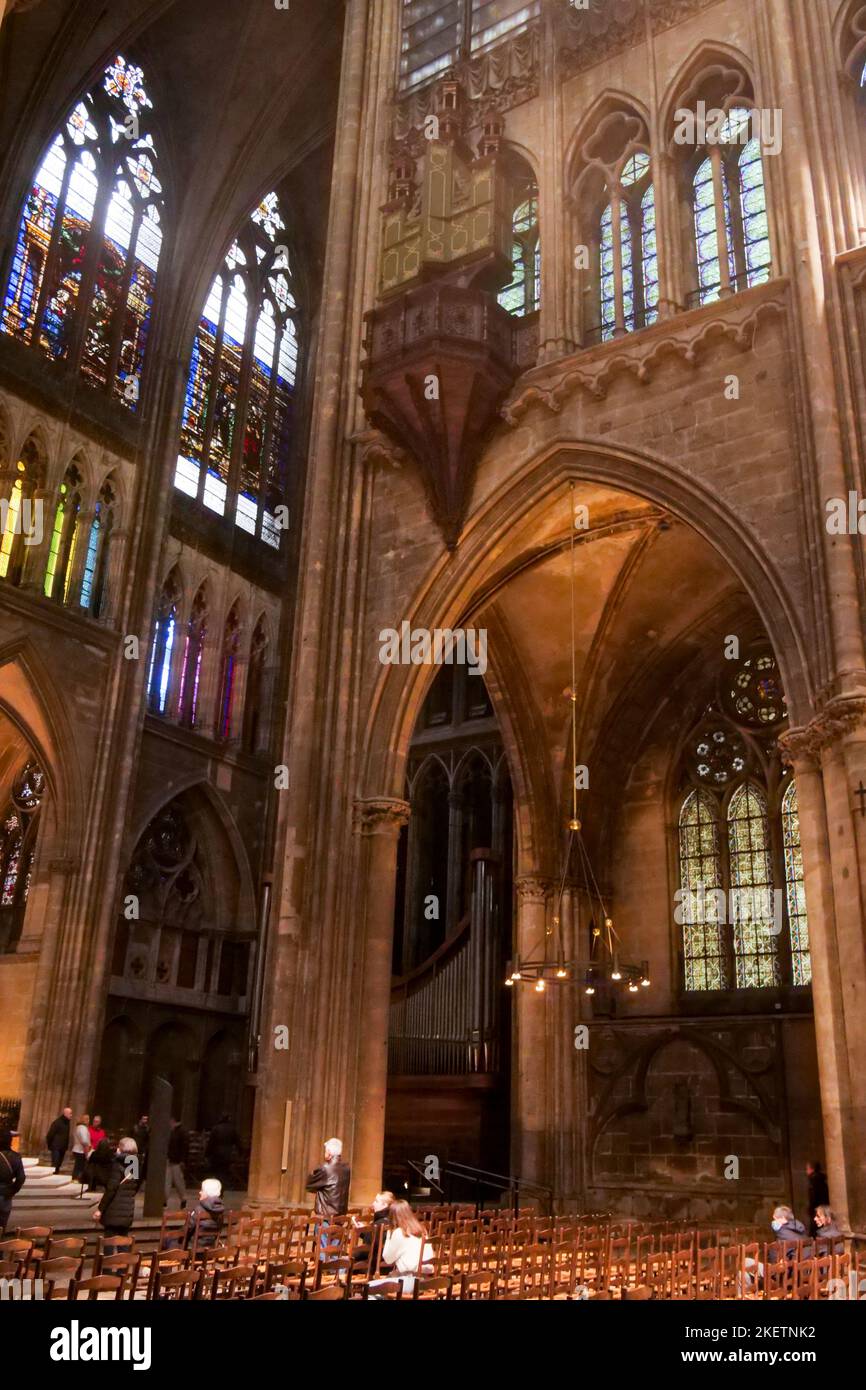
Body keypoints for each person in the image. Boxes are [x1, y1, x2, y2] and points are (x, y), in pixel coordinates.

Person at [378, 1200, 434, 1294]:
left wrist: (389, 1235)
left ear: (393, 1217)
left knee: (370, 1288)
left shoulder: (399, 1232)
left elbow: (388, 1259)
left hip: (409, 1281)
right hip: (427, 1281)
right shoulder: (422, 1229)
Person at [92, 1137, 139, 1239]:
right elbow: (135, 1188)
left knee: (109, 1241)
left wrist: (100, 1209)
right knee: (124, 1241)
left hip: (113, 1209)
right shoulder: (135, 1165)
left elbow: (111, 1189)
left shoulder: (117, 1164)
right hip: (127, 1210)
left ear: (120, 1149)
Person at [305, 1137, 351, 1218]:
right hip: (341, 1217)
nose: (324, 1153)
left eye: (325, 1151)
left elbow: (309, 1186)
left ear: (329, 1153)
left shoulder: (325, 1169)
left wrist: (313, 1173)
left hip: (326, 1218)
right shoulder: (346, 1169)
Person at [351, 1191, 394, 1274]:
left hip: (372, 1268)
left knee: (345, 1264)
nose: (373, 1204)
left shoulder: (377, 1225)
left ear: (385, 1205)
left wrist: (352, 1256)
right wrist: (364, 1231)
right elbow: (376, 1239)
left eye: (376, 1201)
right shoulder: (393, 1221)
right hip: (389, 1267)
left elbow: (367, 1250)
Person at [185, 1178, 225, 1251]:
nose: (200, 1192)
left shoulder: (198, 1210)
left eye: (202, 1190)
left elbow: (187, 1229)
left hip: (194, 1249)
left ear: (207, 1193)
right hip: (211, 1249)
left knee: (169, 1241)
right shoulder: (220, 1210)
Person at [205, 1114, 240, 1192]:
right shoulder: (232, 1129)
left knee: (217, 1172)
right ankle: (222, 1187)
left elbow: (211, 1143)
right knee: (224, 1172)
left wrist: (207, 1154)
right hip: (227, 1153)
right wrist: (241, 1153)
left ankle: (218, 1188)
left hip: (216, 1154)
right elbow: (238, 1142)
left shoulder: (216, 1129)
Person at [0, 1128, 25, 1234]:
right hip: (6, 1194)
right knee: (2, 1226)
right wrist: (12, 1190)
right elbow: (21, 1178)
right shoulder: (16, 1157)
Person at [165, 1117, 188, 1209]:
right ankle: (183, 1198)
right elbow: (184, 1147)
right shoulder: (180, 1132)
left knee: (169, 1181)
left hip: (174, 1160)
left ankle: (165, 1200)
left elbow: (183, 1147)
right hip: (175, 1160)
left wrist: (182, 1160)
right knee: (178, 1181)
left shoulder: (176, 1132)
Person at [46, 1106, 72, 1173]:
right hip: (56, 1147)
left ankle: (56, 1174)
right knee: (55, 1164)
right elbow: (50, 1134)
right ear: (65, 1114)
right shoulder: (57, 1122)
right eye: (70, 1113)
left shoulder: (67, 1123)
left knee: (58, 1164)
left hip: (62, 1147)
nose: (71, 1115)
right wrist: (50, 1145)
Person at [807, 1161, 830, 1236]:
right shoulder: (822, 1181)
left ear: (812, 1169)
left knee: (816, 1231)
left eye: (807, 1169)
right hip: (824, 1207)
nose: (807, 1171)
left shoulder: (814, 1181)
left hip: (818, 1208)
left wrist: (812, 1209)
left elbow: (814, 1196)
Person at [71, 1113, 91, 1185]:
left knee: (78, 1165)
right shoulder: (83, 1128)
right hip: (81, 1151)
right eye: (87, 1119)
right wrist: (87, 1154)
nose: (88, 1121)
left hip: (77, 1149)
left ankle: (75, 1179)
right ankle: (76, 1179)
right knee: (79, 1166)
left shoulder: (78, 1127)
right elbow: (85, 1142)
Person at [132, 1115, 149, 1180]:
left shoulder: (147, 1129)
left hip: (141, 1151)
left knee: (139, 1167)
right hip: (134, 1150)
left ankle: (137, 1180)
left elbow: (147, 1141)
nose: (145, 1121)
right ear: (140, 1120)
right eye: (144, 1119)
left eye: (146, 1119)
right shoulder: (135, 1128)